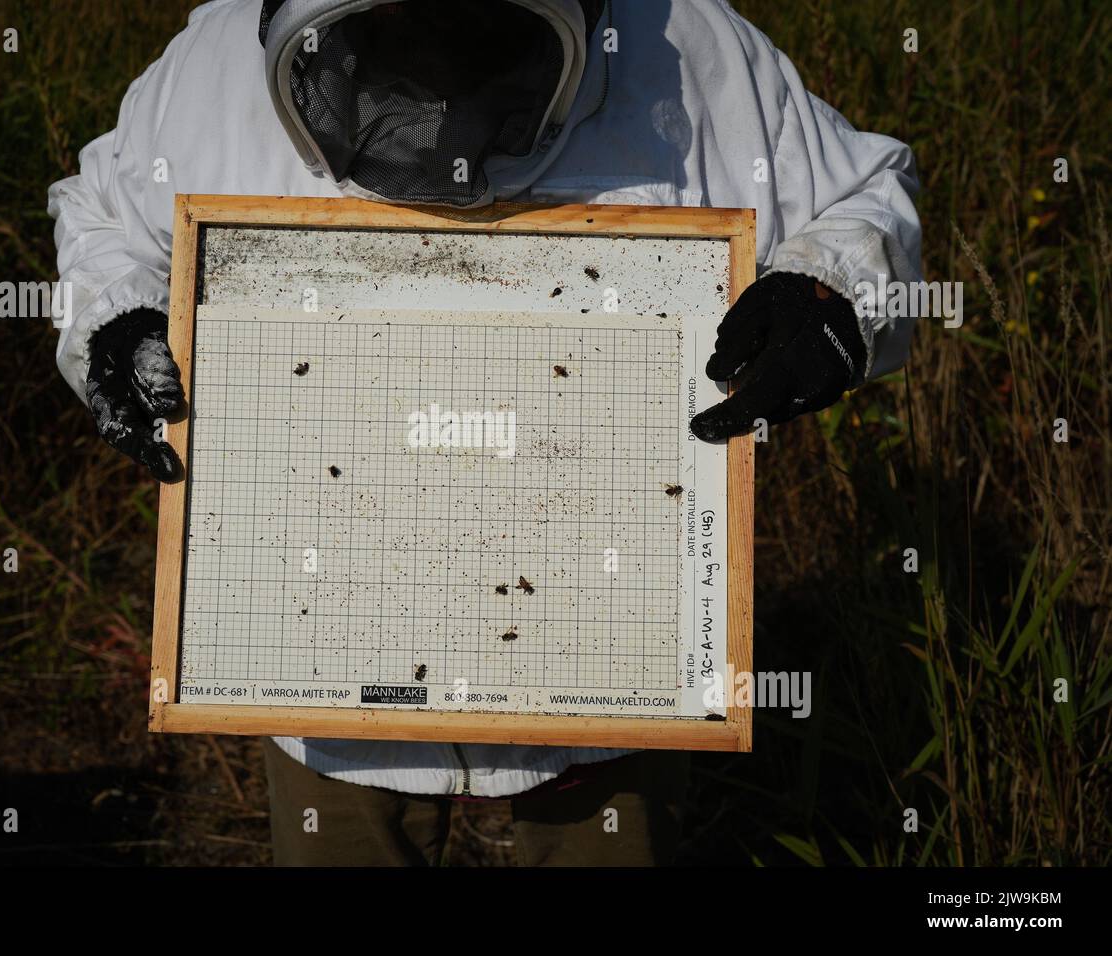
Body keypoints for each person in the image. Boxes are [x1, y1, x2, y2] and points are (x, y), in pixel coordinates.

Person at [49, 0, 921, 865]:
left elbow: (865, 194)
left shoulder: (693, 46)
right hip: (326, 668)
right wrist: (116, 325)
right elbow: (106, 216)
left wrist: (828, 294)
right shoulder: (211, 64)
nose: (440, 123)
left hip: (608, 682)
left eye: (478, 54)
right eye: (400, 59)